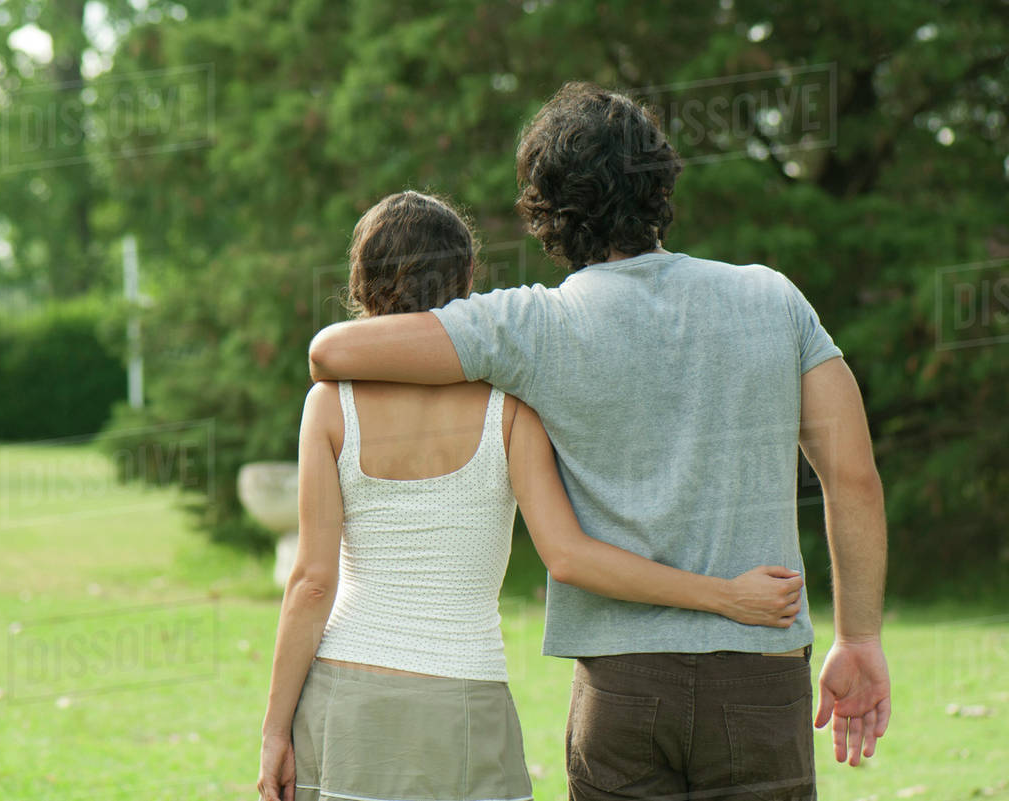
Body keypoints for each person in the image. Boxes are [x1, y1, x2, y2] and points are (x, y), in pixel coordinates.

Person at [307, 84, 891, 800]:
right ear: (660, 183)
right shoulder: (774, 298)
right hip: (761, 675)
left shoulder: (531, 327)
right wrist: (858, 637)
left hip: (621, 687)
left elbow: (333, 350)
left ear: (545, 214)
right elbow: (854, 478)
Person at [259, 190, 805, 801]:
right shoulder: (510, 404)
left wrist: (275, 731)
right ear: (467, 278)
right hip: (467, 704)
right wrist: (726, 596)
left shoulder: (329, 404)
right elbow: (568, 557)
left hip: (345, 702)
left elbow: (311, 582)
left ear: (361, 282)